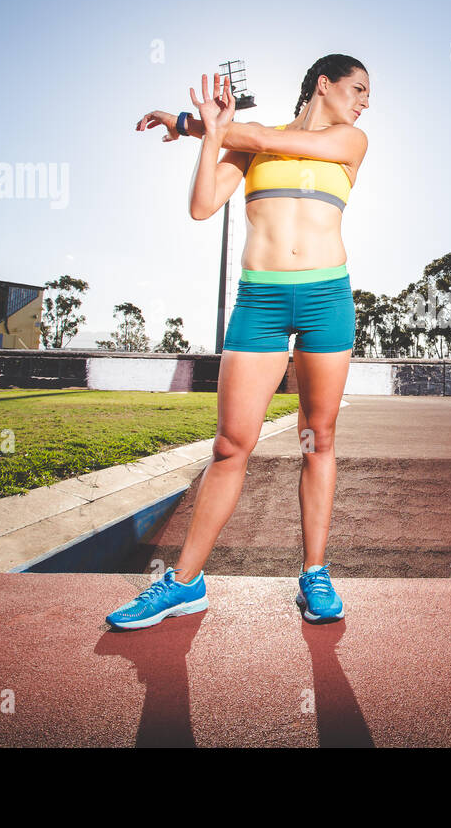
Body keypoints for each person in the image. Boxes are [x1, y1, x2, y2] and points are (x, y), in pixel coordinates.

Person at [107, 54, 370, 629]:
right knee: (230, 446)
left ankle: (315, 573)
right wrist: (208, 137)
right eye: (357, 87)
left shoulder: (351, 140)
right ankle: (185, 583)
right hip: (262, 301)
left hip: (327, 298)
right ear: (322, 83)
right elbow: (202, 207)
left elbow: (265, 135)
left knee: (316, 438)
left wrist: (189, 121)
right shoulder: (252, 144)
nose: (365, 99)